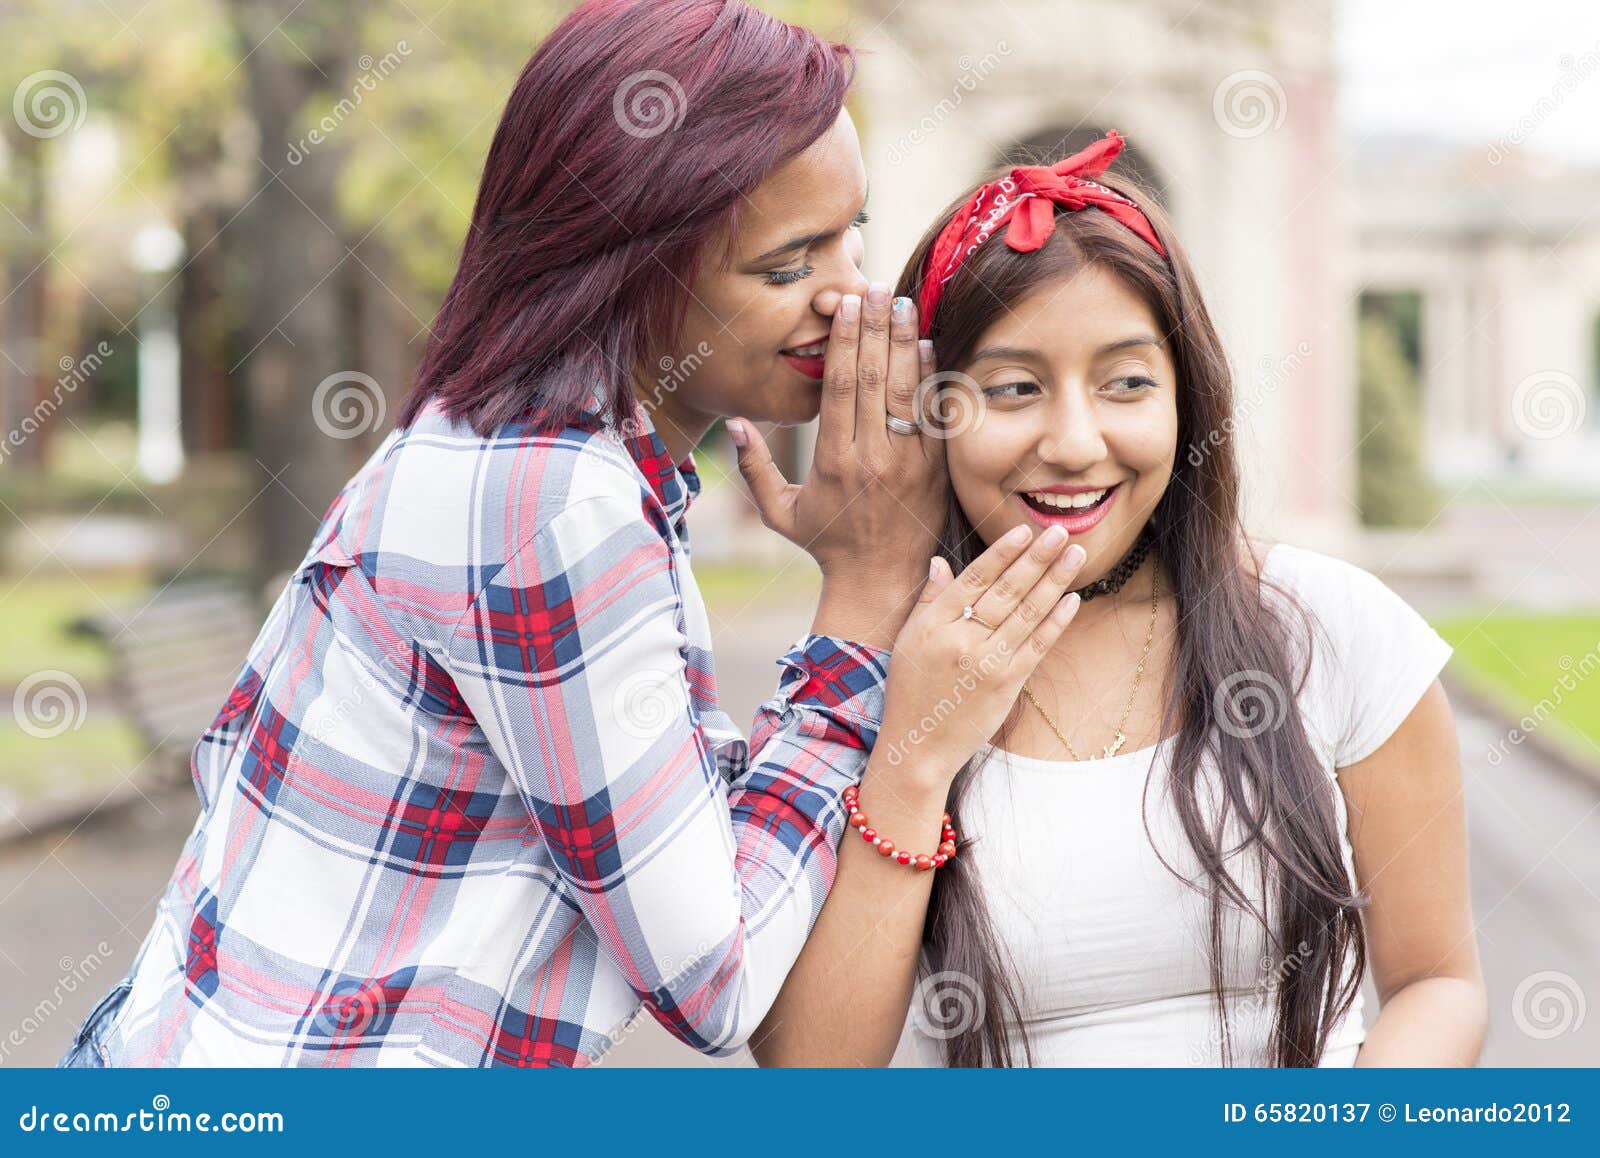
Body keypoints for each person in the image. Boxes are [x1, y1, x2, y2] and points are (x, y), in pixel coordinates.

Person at [59, 0, 1085, 1068]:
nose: (850, 296)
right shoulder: (555, 508)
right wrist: (864, 605)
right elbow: (716, 984)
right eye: (787, 266)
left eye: (852, 236)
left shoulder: (529, 450)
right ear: (626, 260)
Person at [751, 132, 1488, 1068]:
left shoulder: (1330, 626)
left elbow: (1438, 984)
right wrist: (914, 750)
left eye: (1126, 383)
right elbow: (812, 1077)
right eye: (1013, 388)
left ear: (1189, 396)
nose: (1072, 440)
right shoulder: (878, 664)